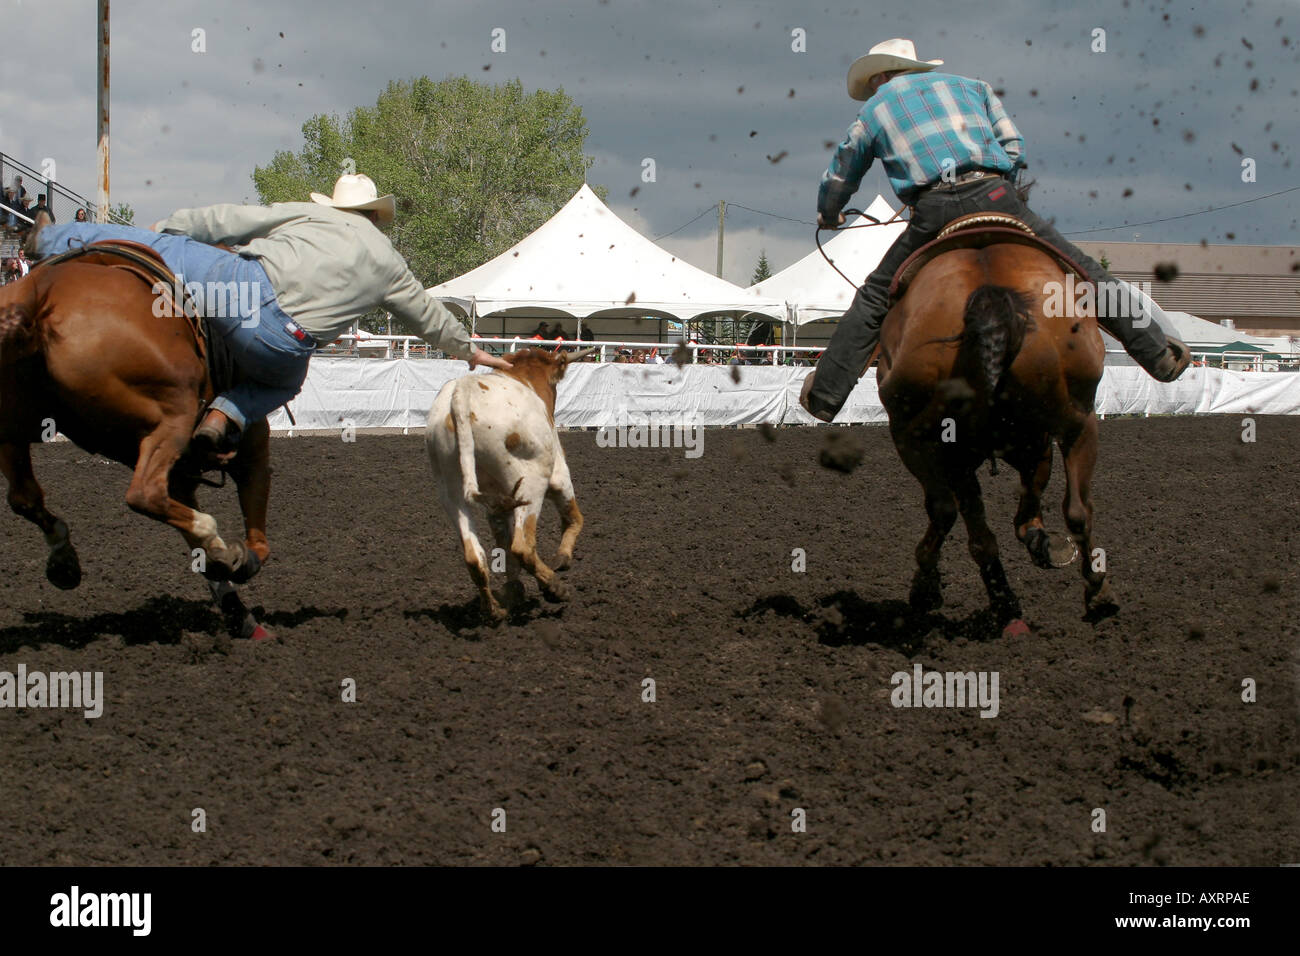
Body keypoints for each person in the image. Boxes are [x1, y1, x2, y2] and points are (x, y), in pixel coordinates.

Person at [800, 38, 1191, 422]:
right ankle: (1158, 353)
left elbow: (841, 173)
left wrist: (829, 214)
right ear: (913, 67)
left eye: (873, 81)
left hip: (933, 210)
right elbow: (1015, 148)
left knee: (874, 296)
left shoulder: (873, 111)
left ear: (881, 75)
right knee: (1086, 273)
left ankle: (826, 396)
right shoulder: (974, 87)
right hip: (997, 194)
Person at [26, 172, 511, 460]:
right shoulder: (390, 266)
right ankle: (225, 413)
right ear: (375, 217)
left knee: (160, 248)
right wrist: (469, 351)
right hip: (282, 343)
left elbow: (233, 221)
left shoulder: (315, 215)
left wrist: (176, 225)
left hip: (236, 294)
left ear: (340, 205)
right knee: (286, 384)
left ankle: (47, 239)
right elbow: (427, 316)